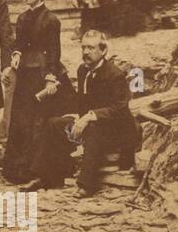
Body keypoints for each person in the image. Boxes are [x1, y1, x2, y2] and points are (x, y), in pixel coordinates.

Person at [33, 30, 142, 194]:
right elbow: (84, 101)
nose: (85, 52)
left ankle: (86, 185)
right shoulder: (82, 70)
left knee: (92, 129)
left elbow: (119, 109)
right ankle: (49, 177)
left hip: (117, 131)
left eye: (91, 48)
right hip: (93, 123)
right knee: (54, 124)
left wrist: (89, 117)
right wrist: (77, 115)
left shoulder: (114, 74)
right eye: (83, 47)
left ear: (103, 50)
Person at [1, 0, 63, 185]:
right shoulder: (23, 18)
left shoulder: (51, 20)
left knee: (38, 122)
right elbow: (19, 43)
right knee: (20, 119)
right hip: (25, 75)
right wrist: (16, 54)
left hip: (41, 76)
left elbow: (54, 53)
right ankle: (15, 170)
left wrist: (50, 78)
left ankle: (34, 170)